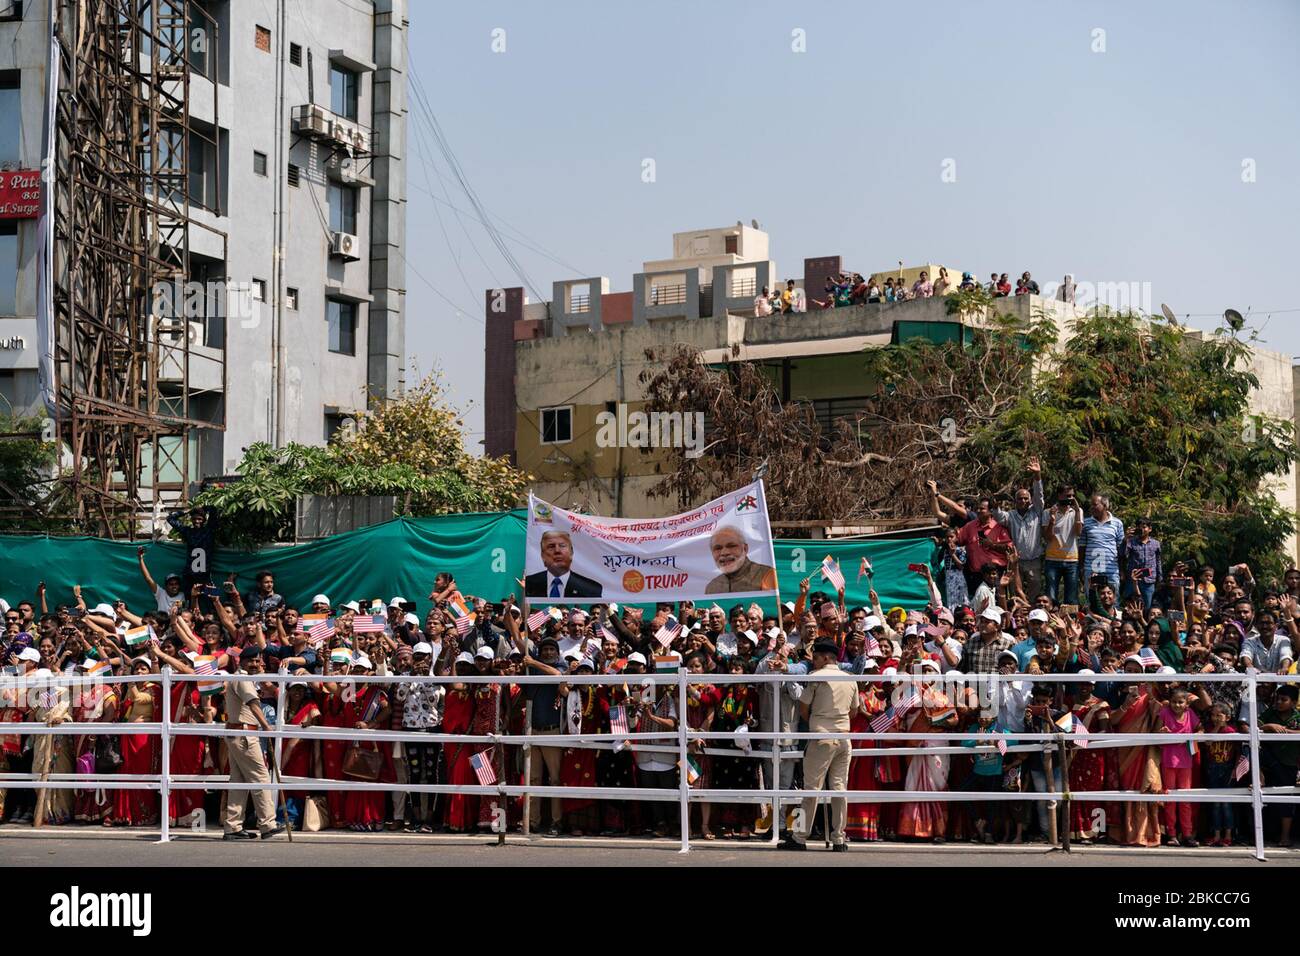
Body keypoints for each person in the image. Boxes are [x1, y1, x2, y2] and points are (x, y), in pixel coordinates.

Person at [783, 640, 860, 851]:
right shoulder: (850, 679)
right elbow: (854, 711)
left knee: (811, 789)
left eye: (815, 657)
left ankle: (799, 837)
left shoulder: (815, 677)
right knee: (839, 789)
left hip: (821, 737)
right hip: (843, 737)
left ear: (825, 657)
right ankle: (839, 838)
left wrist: (816, 719)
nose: (813, 661)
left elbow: (803, 708)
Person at [222, 647, 285, 841]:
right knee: (260, 777)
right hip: (244, 734)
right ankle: (267, 824)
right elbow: (253, 703)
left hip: (237, 732)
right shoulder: (243, 679)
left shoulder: (240, 678)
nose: (255, 664)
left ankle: (233, 826)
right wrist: (266, 726)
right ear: (241, 661)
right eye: (251, 661)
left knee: (239, 781)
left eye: (258, 661)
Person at [525, 531, 604, 598]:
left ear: (571, 553)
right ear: (543, 555)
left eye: (562, 546)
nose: (557, 550)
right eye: (551, 546)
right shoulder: (529, 584)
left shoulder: (591, 588)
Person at [704, 525, 778, 595]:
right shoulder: (712, 587)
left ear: (745, 549)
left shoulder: (767, 575)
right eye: (718, 548)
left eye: (731, 546)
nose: (724, 553)